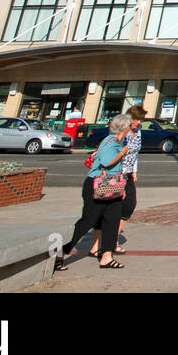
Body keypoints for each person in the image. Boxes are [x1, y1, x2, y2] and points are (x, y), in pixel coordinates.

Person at [56, 113, 133, 270]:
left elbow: (116, 169)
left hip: (112, 187)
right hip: (97, 186)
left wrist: (122, 187)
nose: (131, 129)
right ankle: (61, 252)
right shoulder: (111, 142)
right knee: (88, 221)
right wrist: (122, 152)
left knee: (112, 220)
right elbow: (107, 162)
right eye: (130, 127)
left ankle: (106, 256)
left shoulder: (116, 141)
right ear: (124, 129)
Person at [92, 104, 145, 252]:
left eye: (140, 120)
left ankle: (111, 239)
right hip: (115, 173)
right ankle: (99, 243)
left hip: (128, 173)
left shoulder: (138, 132)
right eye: (136, 119)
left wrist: (134, 171)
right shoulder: (122, 132)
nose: (139, 122)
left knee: (129, 205)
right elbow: (113, 153)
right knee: (107, 206)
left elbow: (135, 154)